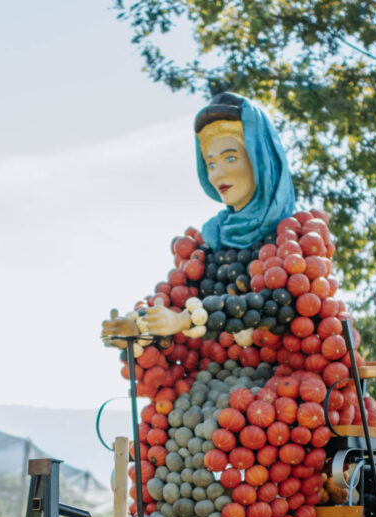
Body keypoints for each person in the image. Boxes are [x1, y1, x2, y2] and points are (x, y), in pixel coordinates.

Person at [101, 92, 296, 345]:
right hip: (216, 380)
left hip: (289, 378)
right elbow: (174, 300)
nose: (217, 174)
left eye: (230, 158)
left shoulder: (295, 236)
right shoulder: (209, 242)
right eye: (211, 164)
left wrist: (187, 320)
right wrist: (138, 327)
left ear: (261, 160)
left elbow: (278, 305)